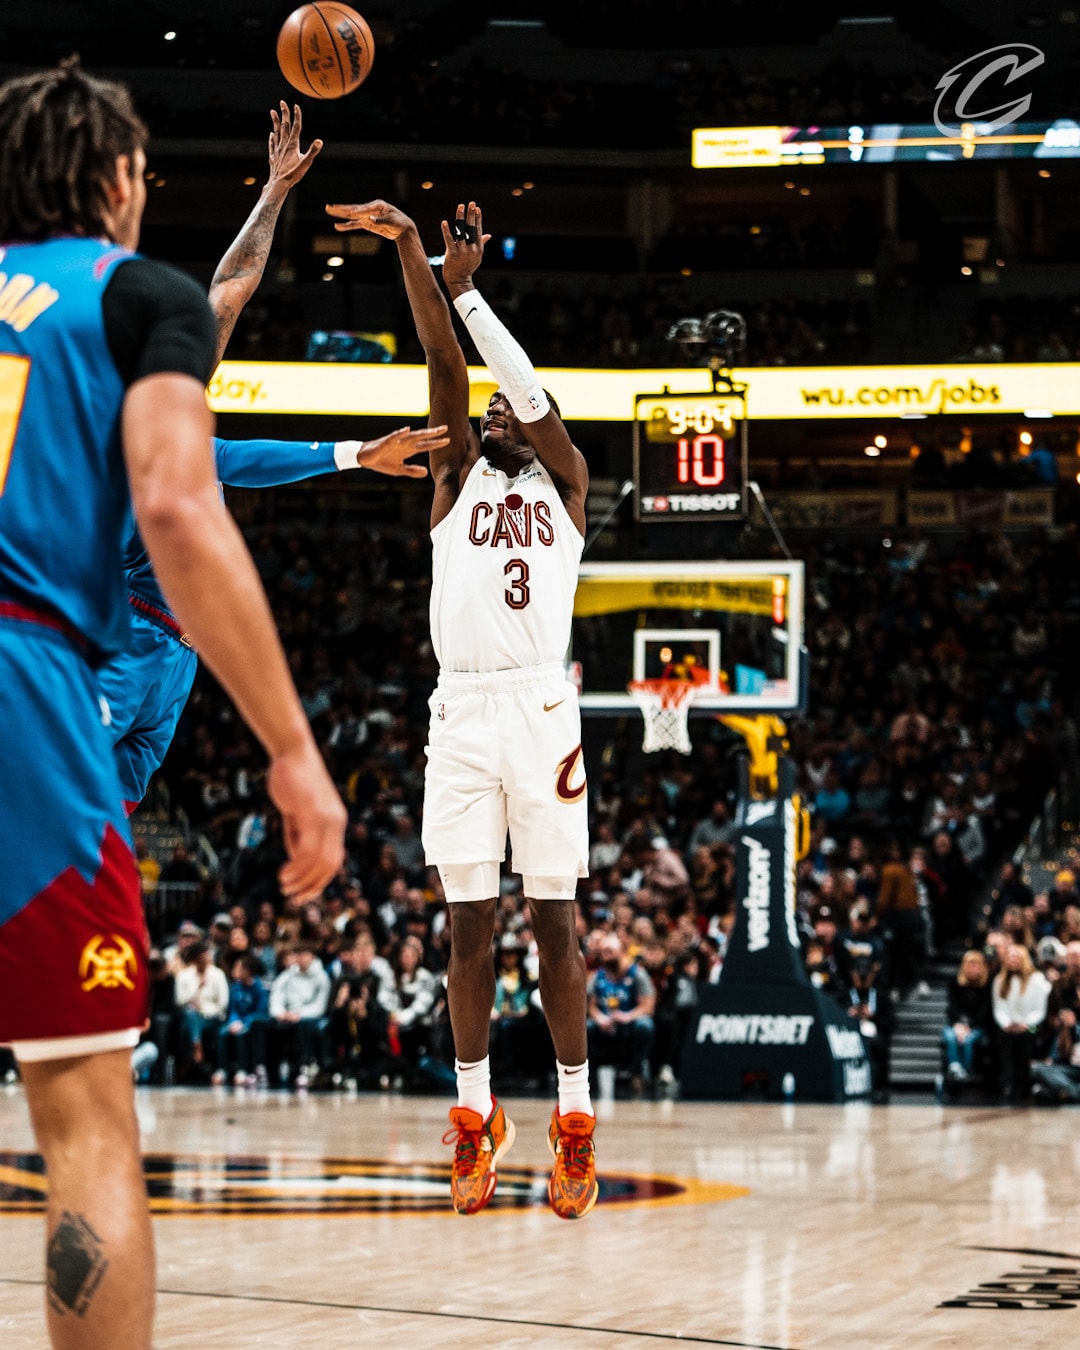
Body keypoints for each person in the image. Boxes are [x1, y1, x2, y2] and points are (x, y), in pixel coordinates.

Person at [0, 60, 345, 1350]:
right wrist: (294, 749)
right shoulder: (133, 298)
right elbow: (179, 502)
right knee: (84, 1115)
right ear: (119, 182)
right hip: (27, 682)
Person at [327, 196, 596, 1219]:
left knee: (556, 923)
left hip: (541, 711)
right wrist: (412, 254)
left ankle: (575, 1123)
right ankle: (475, 1121)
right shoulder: (453, 479)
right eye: (482, 415)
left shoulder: (568, 480)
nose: (490, 414)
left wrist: (473, 289)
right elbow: (446, 366)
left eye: (505, 412)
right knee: (467, 929)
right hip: (464, 716)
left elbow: (519, 389)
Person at [98, 102, 446, 812]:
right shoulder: (127, 423)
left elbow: (229, 291)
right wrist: (352, 452)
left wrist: (275, 191)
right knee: (56, 813)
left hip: (178, 657)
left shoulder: (171, 394)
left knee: (106, 838)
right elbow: (235, 459)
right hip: (124, 639)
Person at [992, 943, 1051, 1100]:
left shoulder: (1036, 979)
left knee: (1026, 1038)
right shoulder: (1000, 980)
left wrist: (1026, 1024)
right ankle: (1008, 1082)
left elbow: (1040, 1010)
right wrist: (1006, 1024)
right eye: (1010, 957)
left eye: (1015, 957)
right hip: (1008, 1026)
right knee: (1004, 1038)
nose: (1012, 960)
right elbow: (999, 1009)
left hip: (1031, 1026)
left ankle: (1024, 1083)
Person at [941, 949, 993, 1085]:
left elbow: (984, 1012)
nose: (973, 968)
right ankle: (955, 1067)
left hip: (977, 1026)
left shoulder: (987, 986)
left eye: (976, 965)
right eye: (970, 965)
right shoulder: (955, 983)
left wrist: (969, 1027)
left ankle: (966, 1070)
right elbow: (952, 1008)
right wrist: (958, 1025)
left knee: (968, 1040)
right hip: (956, 1024)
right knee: (950, 1036)